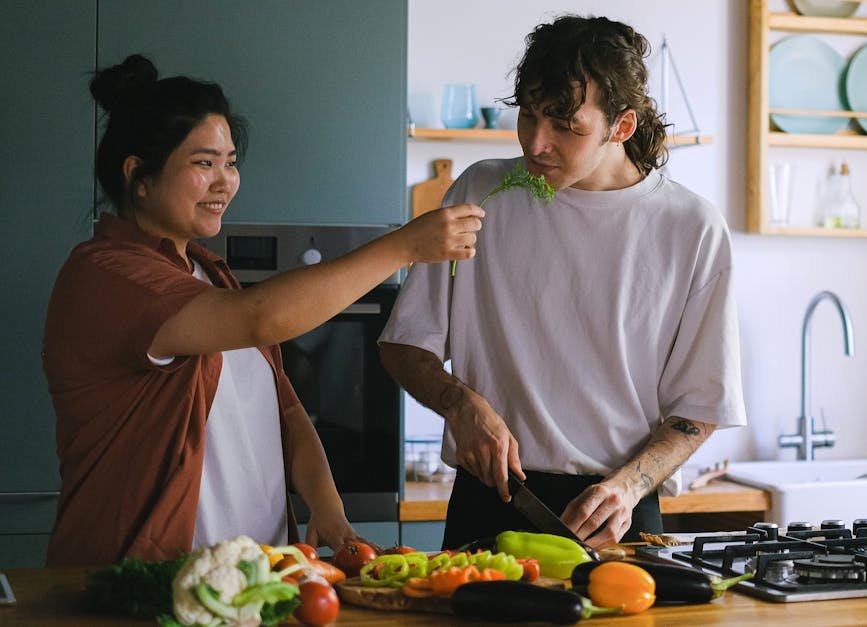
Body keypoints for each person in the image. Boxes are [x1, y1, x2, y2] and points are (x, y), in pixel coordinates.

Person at [42, 55, 484, 567]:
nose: (224, 181)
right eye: (203, 163)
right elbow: (261, 317)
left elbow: (288, 414)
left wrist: (328, 507)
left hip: (258, 579)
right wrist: (402, 246)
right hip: (152, 582)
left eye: (230, 162)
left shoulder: (211, 274)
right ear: (138, 176)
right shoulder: (108, 275)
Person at [380, 15, 746, 550]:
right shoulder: (481, 192)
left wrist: (628, 486)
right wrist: (461, 405)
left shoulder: (691, 227)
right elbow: (404, 345)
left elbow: (700, 407)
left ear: (621, 126)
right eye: (528, 116)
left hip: (618, 513)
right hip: (491, 499)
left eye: (563, 124)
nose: (536, 142)